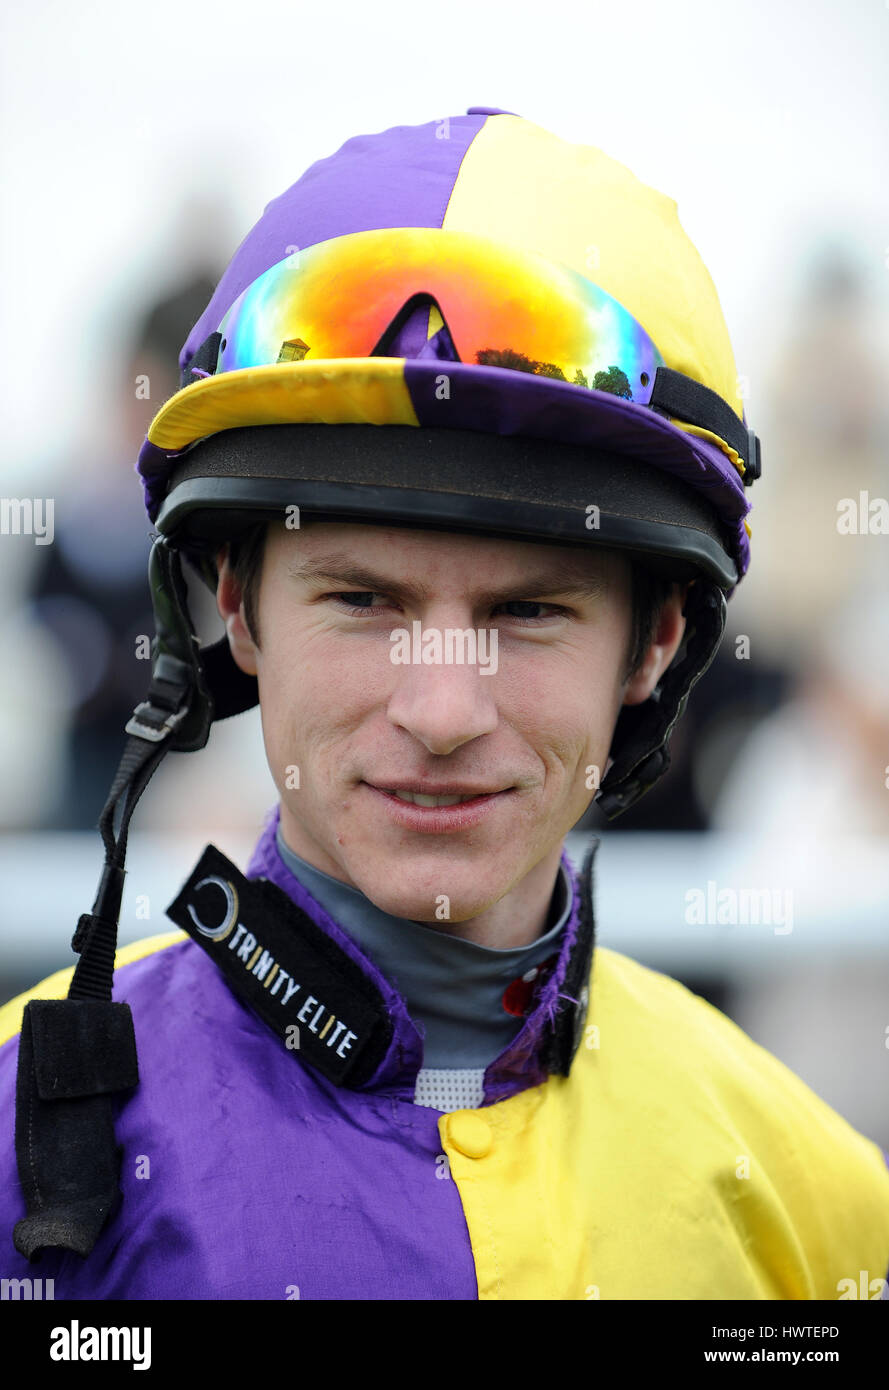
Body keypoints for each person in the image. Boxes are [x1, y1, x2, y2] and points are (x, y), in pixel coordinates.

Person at [1, 107, 887, 1302]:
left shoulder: (821, 1206)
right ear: (239, 609)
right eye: (363, 598)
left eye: (529, 612)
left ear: (655, 643)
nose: (440, 710)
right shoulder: (15, 1142)